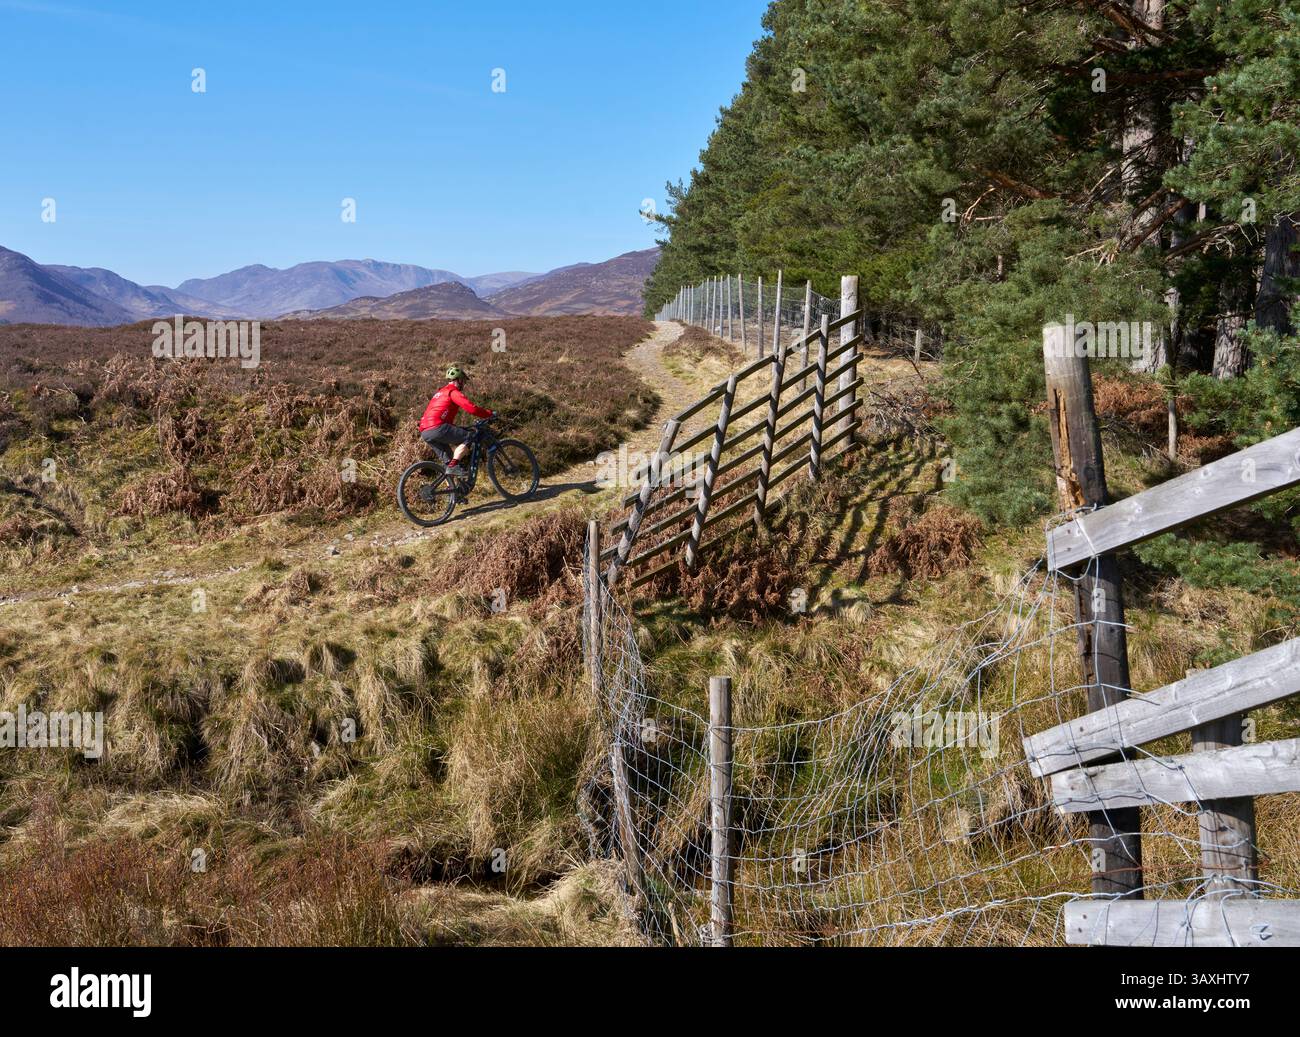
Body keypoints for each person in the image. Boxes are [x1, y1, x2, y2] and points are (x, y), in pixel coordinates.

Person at [418, 364, 494, 474]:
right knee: (470, 437)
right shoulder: (453, 392)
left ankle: (452, 489)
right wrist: (489, 414)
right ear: (458, 380)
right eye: (463, 381)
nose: (464, 384)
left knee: (449, 464)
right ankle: (453, 466)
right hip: (438, 427)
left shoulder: (439, 393)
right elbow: (472, 409)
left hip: (425, 431)